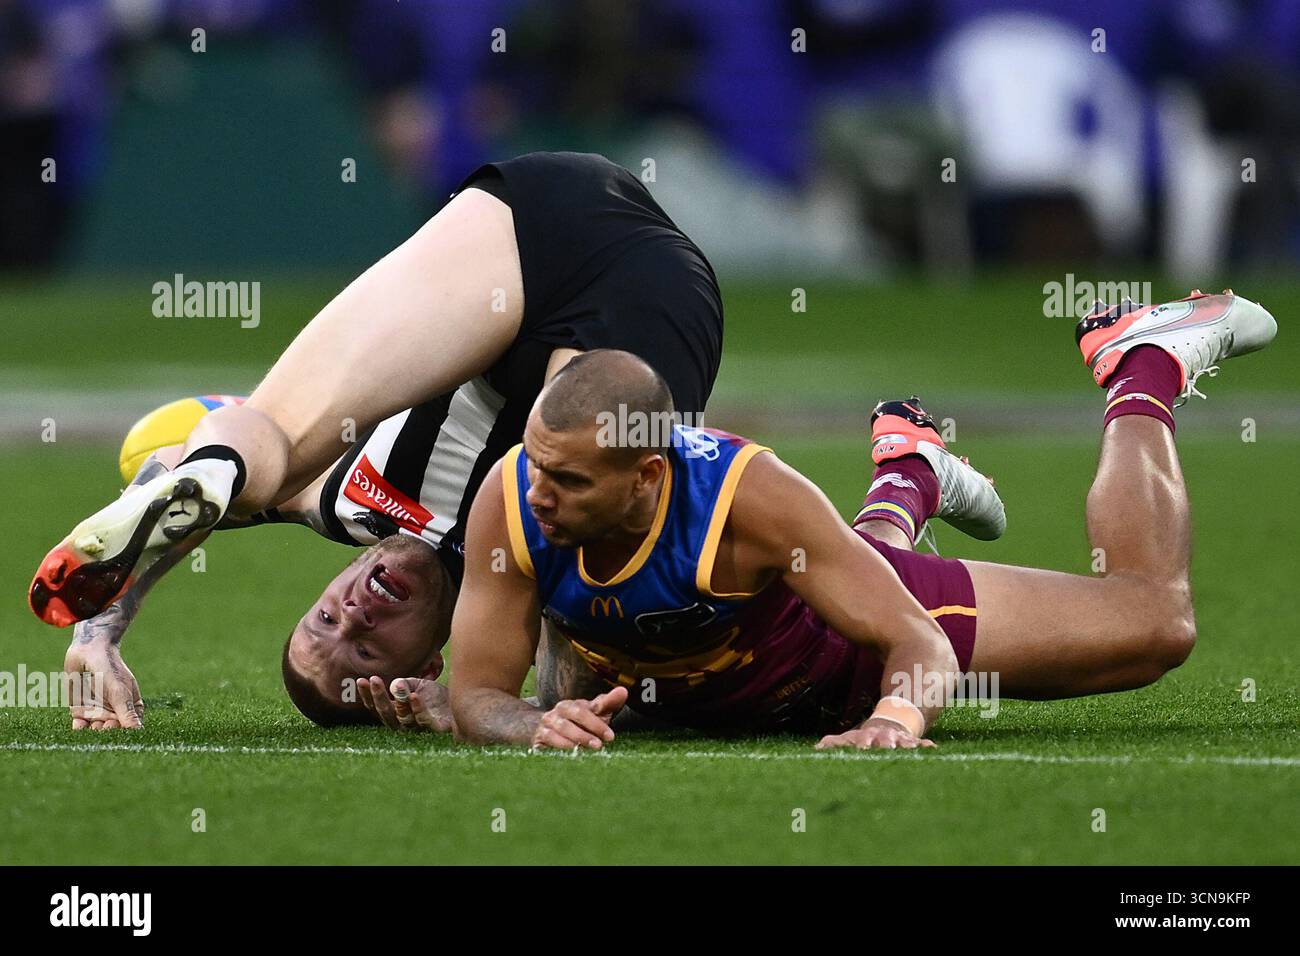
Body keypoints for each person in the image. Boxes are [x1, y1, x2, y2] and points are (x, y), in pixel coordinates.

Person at [33, 151, 724, 730]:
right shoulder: (525, 587)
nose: (355, 613)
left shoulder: (344, 501)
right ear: (425, 667)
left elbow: (161, 459)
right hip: (642, 289)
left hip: (527, 227)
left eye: (326, 616)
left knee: (262, 450)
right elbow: (583, 696)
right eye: (363, 649)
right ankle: (221, 462)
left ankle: (217, 467)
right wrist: (476, 704)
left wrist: (97, 632)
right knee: (602, 528)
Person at [446, 289, 1276, 750]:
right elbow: (479, 691)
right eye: (533, 465)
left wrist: (891, 719)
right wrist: (530, 722)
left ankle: (1145, 361)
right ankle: (910, 468)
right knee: (833, 563)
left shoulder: (751, 499)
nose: (537, 493)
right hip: (780, 648)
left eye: (567, 479)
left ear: (648, 477)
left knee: (1153, 621)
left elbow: (919, 643)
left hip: (854, 656)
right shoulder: (513, 499)